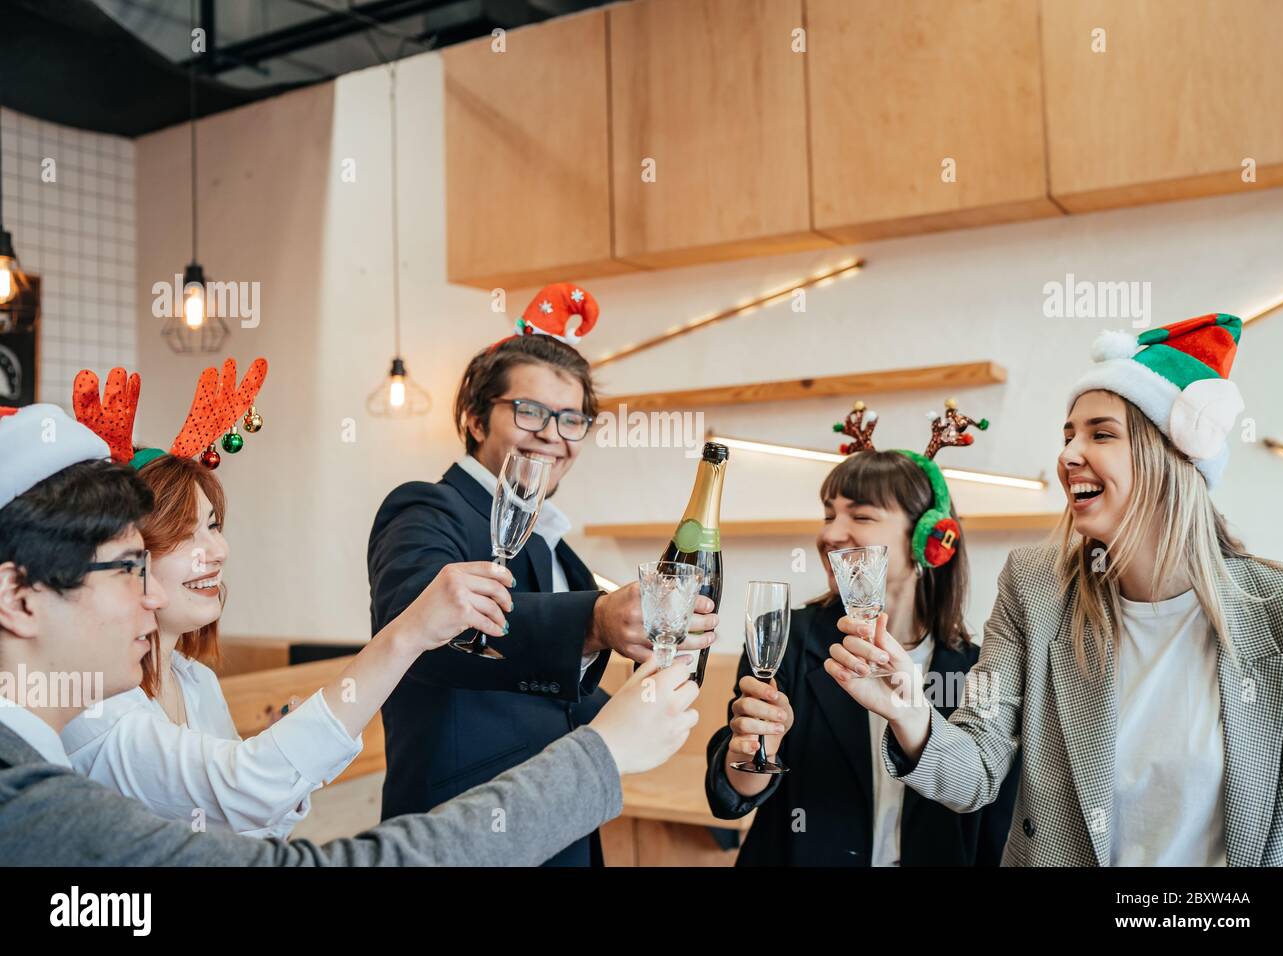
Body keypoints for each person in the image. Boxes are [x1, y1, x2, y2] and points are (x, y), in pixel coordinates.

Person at [0, 403, 700, 865]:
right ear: (18, 598)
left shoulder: (186, 683)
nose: (149, 591)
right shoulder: (34, 804)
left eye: (214, 528)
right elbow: (257, 805)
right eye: (130, 565)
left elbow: (251, 821)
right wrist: (599, 756)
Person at [827, 314, 1283, 866]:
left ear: (1171, 456)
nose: (1069, 454)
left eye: (1101, 434)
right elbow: (976, 770)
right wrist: (910, 713)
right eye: (1068, 435)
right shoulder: (1034, 589)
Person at [369, 284, 717, 866]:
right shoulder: (427, 508)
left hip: (557, 825)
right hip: (458, 833)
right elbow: (420, 636)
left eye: (572, 419)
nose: (553, 435)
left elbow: (550, 699)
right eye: (530, 411)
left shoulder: (561, 552)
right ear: (476, 419)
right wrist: (598, 620)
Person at [705, 402, 1017, 865]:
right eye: (829, 515)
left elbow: (992, 817)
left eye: (861, 517)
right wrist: (751, 744)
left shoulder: (979, 667)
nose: (832, 534)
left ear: (928, 541)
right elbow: (733, 796)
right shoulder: (785, 636)